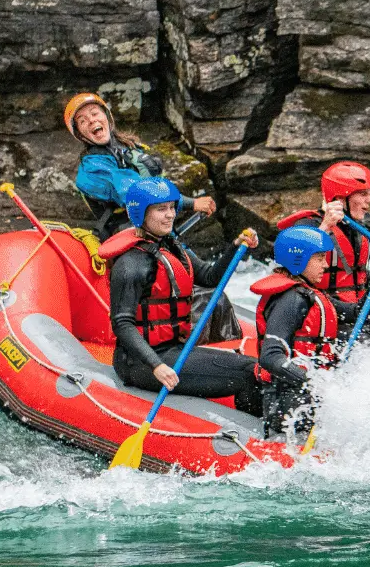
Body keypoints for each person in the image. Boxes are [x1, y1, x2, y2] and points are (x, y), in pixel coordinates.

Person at [103, 177, 263, 414]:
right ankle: (258, 433)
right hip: (141, 363)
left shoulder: (171, 247)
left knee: (256, 369)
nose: (170, 215)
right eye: (161, 209)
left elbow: (210, 277)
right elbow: (122, 324)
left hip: (173, 350)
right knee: (250, 372)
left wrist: (235, 246)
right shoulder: (131, 263)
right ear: (141, 213)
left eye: (171, 207)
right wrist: (156, 366)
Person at [249, 226, 362, 438]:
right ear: (298, 260)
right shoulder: (290, 300)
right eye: (319, 259)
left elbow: (359, 313)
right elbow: (270, 356)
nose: (326, 265)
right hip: (287, 401)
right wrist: (312, 381)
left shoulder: (310, 295)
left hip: (307, 392)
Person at [278, 161, 370, 325]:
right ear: (340, 198)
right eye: (363, 194)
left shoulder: (358, 230)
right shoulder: (308, 225)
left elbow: (358, 280)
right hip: (324, 317)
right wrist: (325, 226)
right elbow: (293, 267)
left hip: (357, 316)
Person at [65, 92, 216, 241]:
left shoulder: (128, 146)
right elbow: (136, 194)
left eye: (95, 113)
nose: (91, 120)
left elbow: (157, 183)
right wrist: (192, 203)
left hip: (154, 224)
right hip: (128, 236)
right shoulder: (92, 169)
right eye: (82, 121)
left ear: (107, 117)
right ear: (80, 135)